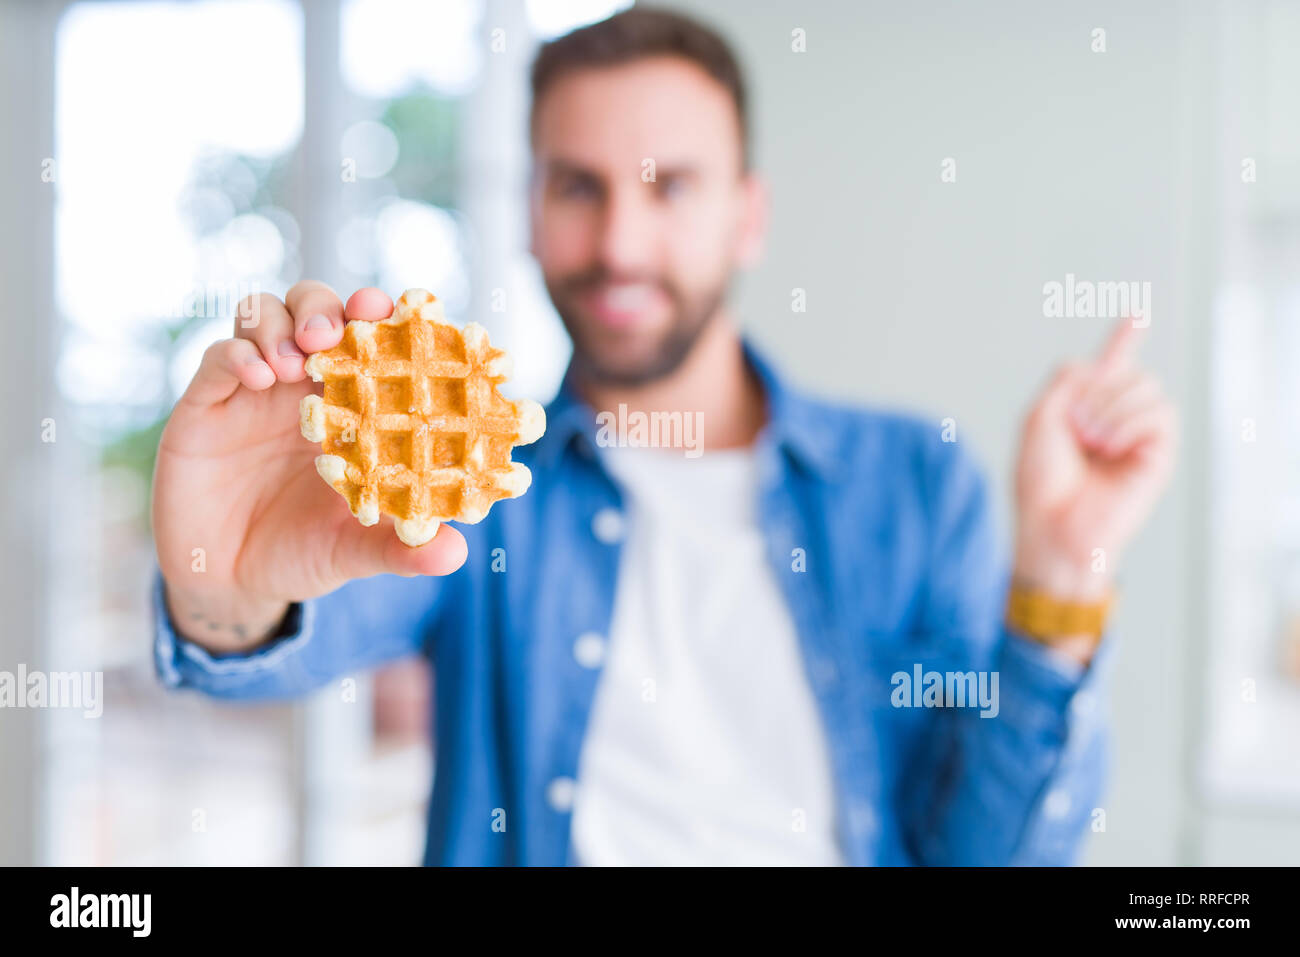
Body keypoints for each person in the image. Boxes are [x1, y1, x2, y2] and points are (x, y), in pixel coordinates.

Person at [150, 7, 1176, 866]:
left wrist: (1062, 576)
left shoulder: (914, 482)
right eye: (577, 186)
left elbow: (994, 853)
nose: (619, 245)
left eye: (669, 186)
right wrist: (222, 578)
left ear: (747, 216)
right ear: (528, 210)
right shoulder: (467, 494)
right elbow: (282, 632)